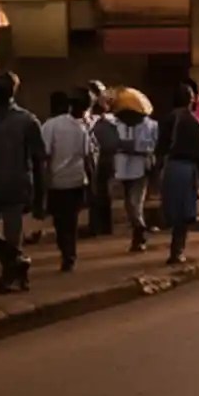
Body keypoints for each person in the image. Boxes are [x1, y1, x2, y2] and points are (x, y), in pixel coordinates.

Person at [0, 73, 45, 292]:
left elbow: (39, 161)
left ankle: (13, 274)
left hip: (16, 185)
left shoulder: (27, 121)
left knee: (13, 234)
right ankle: (16, 261)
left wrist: (40, 198)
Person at [155, 82, 199, 265]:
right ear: (190, 100)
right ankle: (177, 250)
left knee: (173, 210)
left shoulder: (167, 119)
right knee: (184, 213)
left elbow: (160, 147)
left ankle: (176, 248)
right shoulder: (192, 121)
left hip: (170, 167)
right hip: (186, 169)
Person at [40, 87, 97, 272]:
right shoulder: (82, 128)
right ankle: (69, 253)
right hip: (77, 181)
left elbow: (45, 157)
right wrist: (92, 184)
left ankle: (67, 253)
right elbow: (88, 159)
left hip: (58, 182)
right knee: (70, 221)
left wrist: (43, 183)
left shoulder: (50, 126)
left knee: (60, 221)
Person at [113, 103, 158, 253]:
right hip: (124, 168)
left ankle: (140, 230)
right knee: (129, 204)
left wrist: (135, 148)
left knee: (135, 202)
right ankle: (138, 233)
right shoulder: (119, 125)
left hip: (140, 168)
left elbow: (153, 146)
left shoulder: (151, 125)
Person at [86, 81, 119, 237]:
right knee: (96, 192)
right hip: (93, 157)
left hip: (105, 157)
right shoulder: (88, 116)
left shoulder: (110, 119)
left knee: (103, 192)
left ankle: (103, 226)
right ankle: (97, 226)